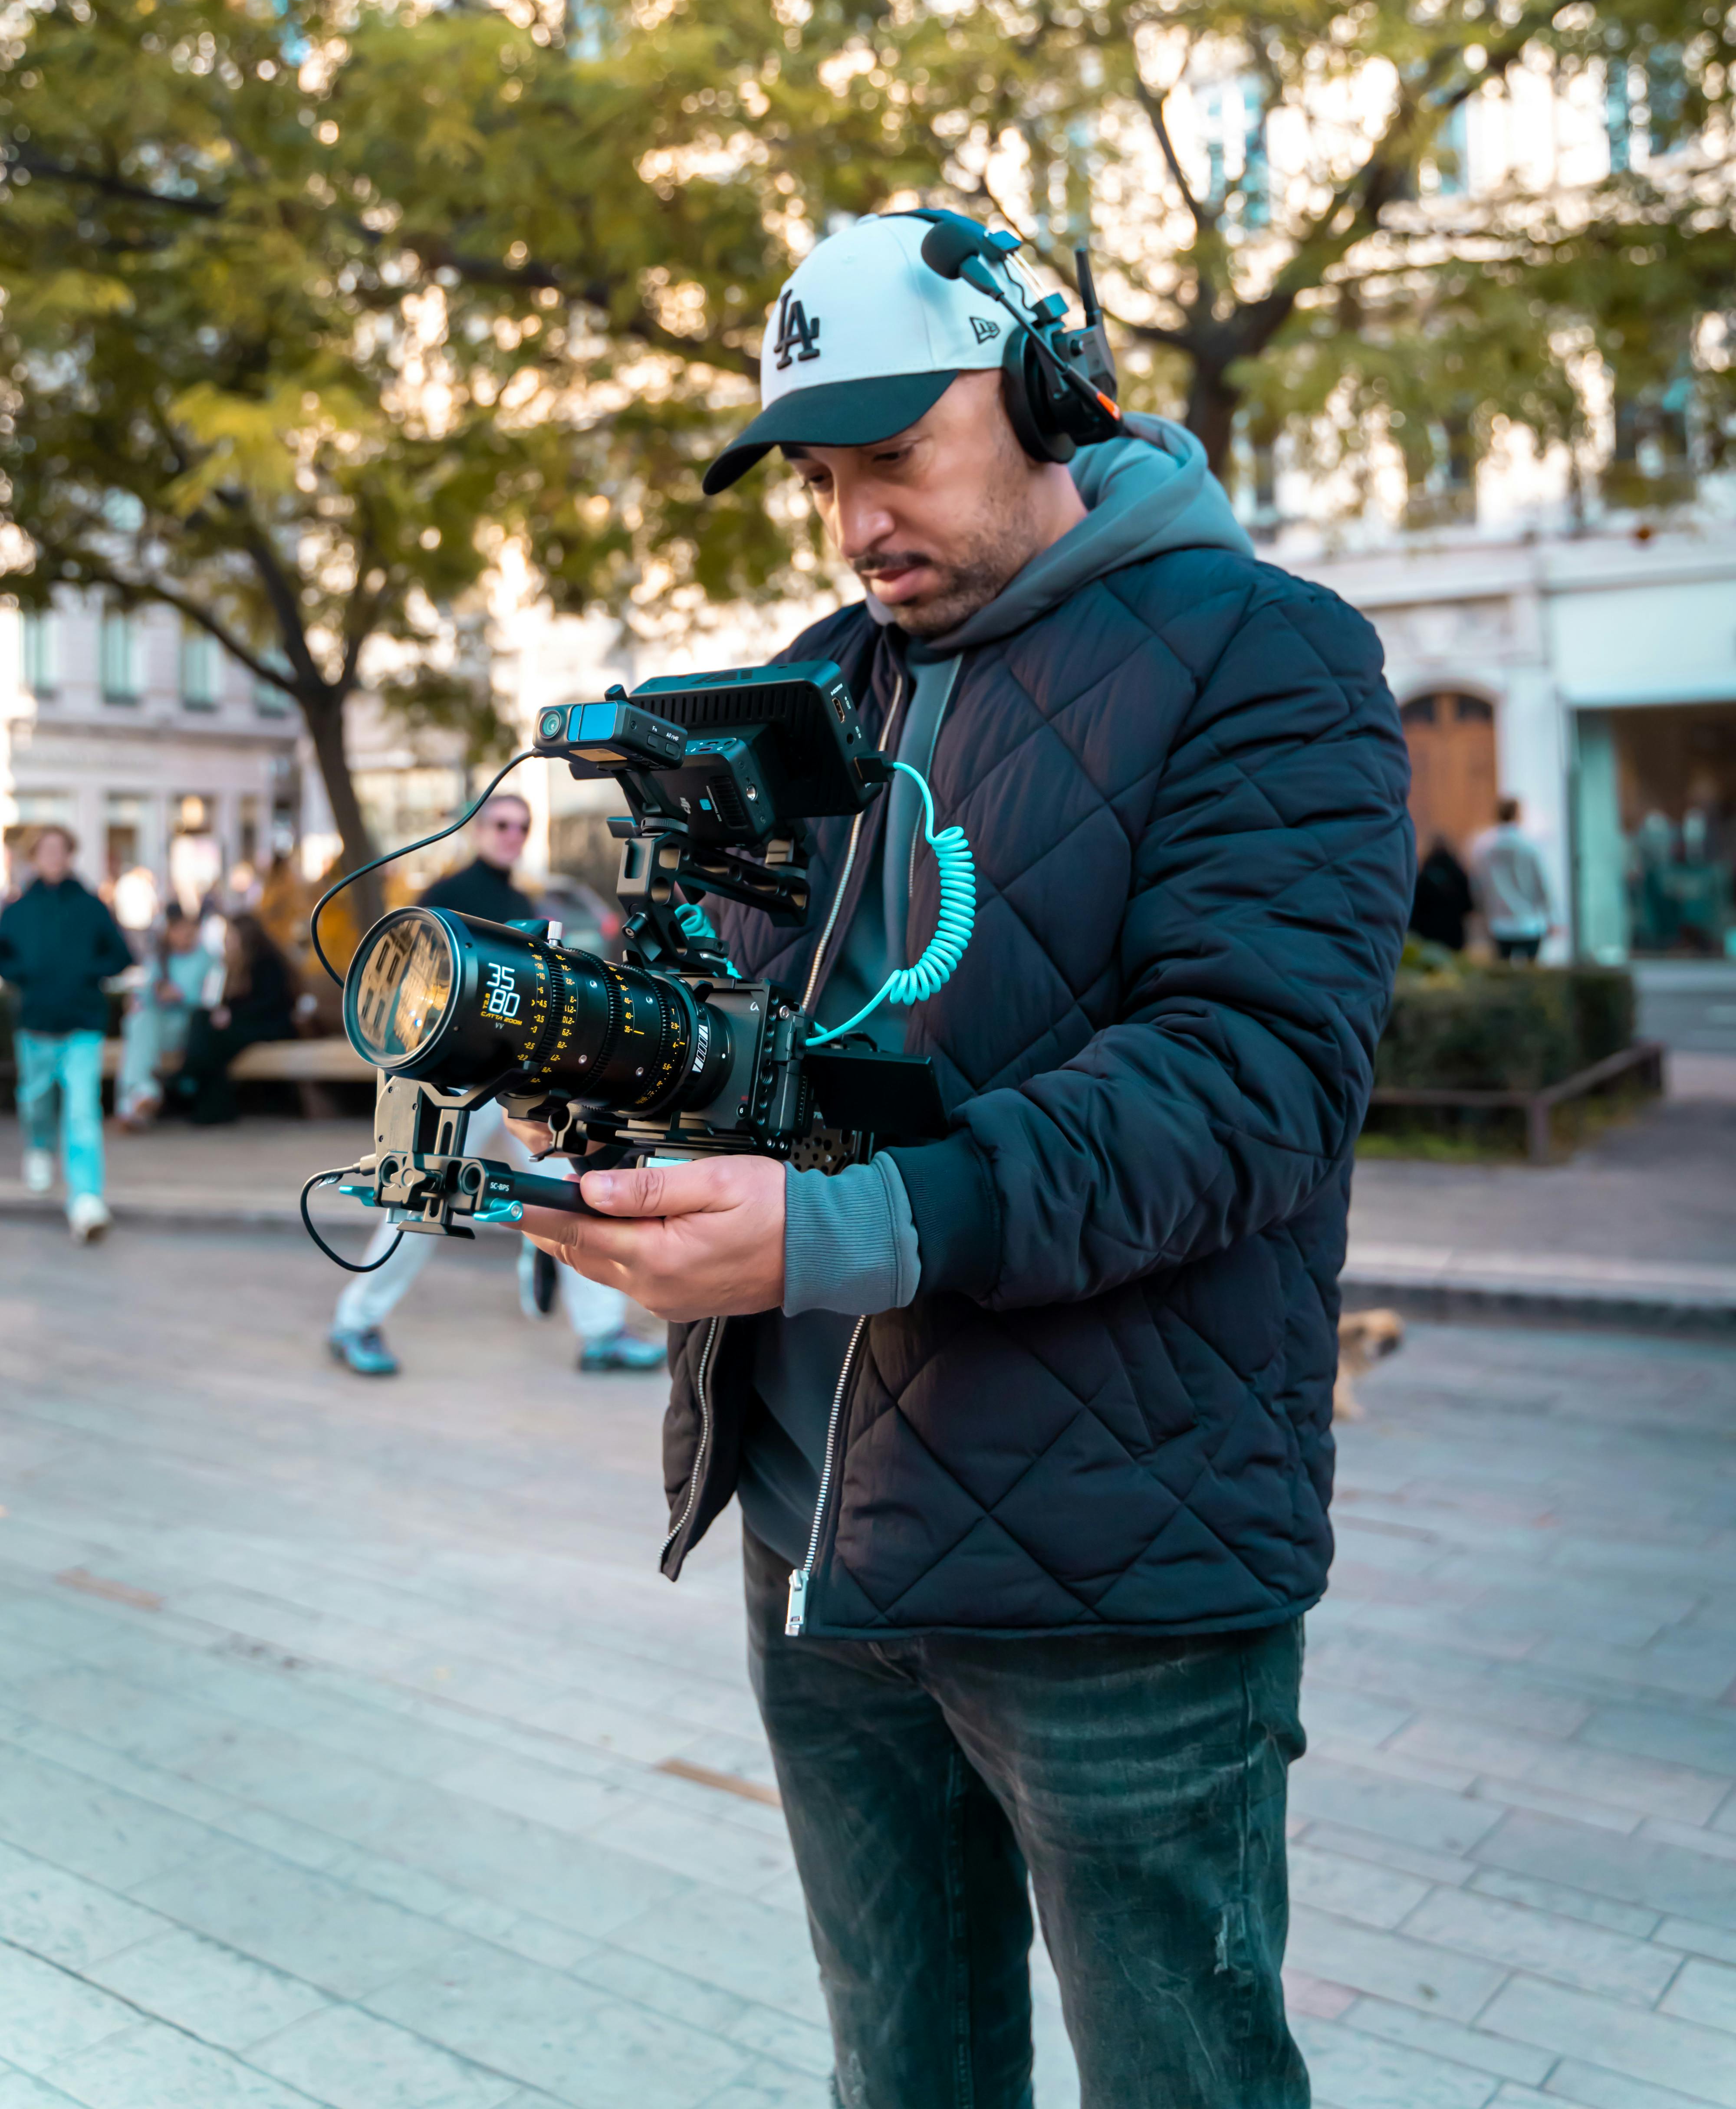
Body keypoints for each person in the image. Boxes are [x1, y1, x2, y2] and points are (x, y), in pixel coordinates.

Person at [518, 211, 1414, 2109]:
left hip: (1120, 1570)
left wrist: (843, 1224)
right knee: (900, 2073)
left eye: (891, 457)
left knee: (1182, 2078)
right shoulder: (821, 678)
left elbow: (1242, 1085)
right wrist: (602, 1086)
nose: (852, 523)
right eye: (821, 478)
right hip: (813, 1533)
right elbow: (752, 1027)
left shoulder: (1268, 657)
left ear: (1044, 395)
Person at [327, 793, 658, 1378]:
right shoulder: (447, 898)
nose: (513, 834)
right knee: (420, 1196)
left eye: (523, 826)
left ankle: (602, 1330)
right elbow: (402, 986)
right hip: (452, 1088)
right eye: (502, 824)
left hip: (518, 1088)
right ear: (480, 830)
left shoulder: (523, 902)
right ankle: (356, 1322)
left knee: (576, 1190)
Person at [0, 825, 133, 1242]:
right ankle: (39, 1147)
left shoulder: (92, 906)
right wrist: (24, 977)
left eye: (60, 849)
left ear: (70, 854)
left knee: (82, 1113)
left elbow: (121, 955)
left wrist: (86, 973)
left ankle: (87, 1200)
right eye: (46, 850)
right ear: (34, 856)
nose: (54, 857)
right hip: (35, 1023)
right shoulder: (19, 910)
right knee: (35, 1099)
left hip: (82, 1025)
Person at [171, 912, 297, 1123]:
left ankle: (190, 1078)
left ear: (245, 937)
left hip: (271, 1027)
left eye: (231, 936)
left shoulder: (267, 963)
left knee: (212, 1042)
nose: (226, 941)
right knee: (203, 1020)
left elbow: (272, 1005)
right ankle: (204, 1096)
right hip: (248, 1026)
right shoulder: (234, 965)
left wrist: (232, 1015)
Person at [115, 907, 222, 1127]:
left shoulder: (210, 960)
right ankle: (141, 1096)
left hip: (190, 1027)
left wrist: (181, 997)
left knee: (141, 1029)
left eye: (188, 929)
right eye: (178, 930)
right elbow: (143, 994)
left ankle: (136, 1098)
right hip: (158, 1024)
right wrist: (153, 994)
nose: (184, 934)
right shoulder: (160, 959)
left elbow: (211, 1001)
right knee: (140, 1020)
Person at [1468, 796, 1553, 962]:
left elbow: (1477, 886)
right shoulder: (1529, 845)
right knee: (1531, 976)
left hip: (1498, 923)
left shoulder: (1484, 846)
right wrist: (1551, 916)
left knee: (1504, 976)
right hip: (1530, 922)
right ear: (1518, 814)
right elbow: (1541, 883)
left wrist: (1482, 913)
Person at [1410, 834, 1475, 952]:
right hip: (1454, 934)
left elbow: (1415, 909)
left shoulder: (1424, 875)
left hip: (1428, 937)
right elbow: (1469, 905)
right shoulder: (1458, 874)